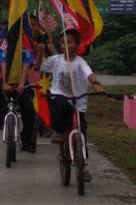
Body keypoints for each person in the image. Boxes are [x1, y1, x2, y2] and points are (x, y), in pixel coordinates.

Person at [36, 28, 104, 180]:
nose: (66, 45)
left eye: (70, 42)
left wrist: (96, 83)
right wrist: (40, 52)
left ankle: (83, 164)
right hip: (59, 98)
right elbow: (38, 67)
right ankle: (59, 133)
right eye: (63, 42)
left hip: (77, 101)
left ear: (78, 45)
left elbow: (89, 74)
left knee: (82, 132)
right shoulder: (57, 60)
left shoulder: (80, 62)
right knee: (59, 101)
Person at [1, 40, 37, 152]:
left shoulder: (26, 51)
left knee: (29, 112)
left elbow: (26, 68)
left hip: (23, 86)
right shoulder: (5, 51)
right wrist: (5, 84)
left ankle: (26, 139)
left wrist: (21, 84)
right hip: (8, 84)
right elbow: (4, 67)